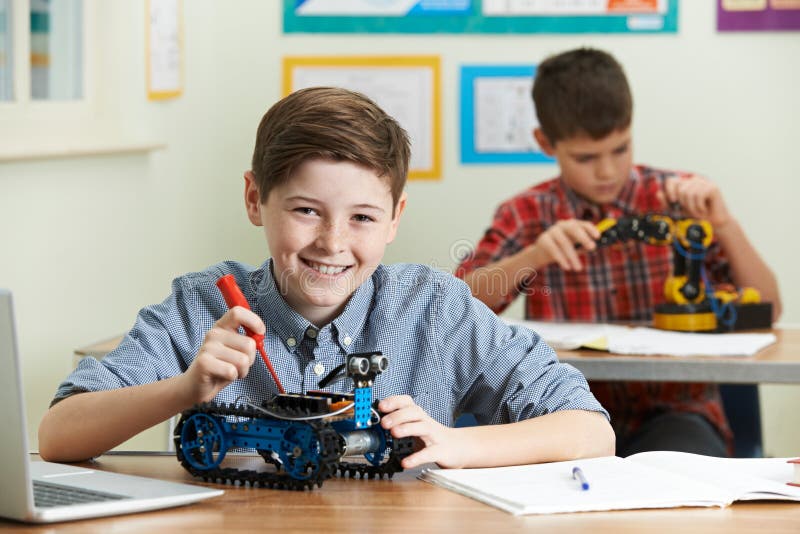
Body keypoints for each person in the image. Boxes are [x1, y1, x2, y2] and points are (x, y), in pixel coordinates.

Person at [39, 87, 613, 467]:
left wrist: (460, 443)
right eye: (306, 211)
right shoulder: (200, 307)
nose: (332, 243)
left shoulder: (438, 309)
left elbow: (592, 432)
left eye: (362, 217)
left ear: (395, 219)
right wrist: (184, 390)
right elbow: (58, 435)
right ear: (254, 198)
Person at [456, 48, 781, 457]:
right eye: (586, 158)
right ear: (545, 143)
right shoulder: (526, 213)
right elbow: (456, 310)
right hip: (563, 413)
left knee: (676, 498)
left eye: (620, 149)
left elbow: (769, 308)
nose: (607, 171)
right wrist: (533, 256)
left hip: (674, 413)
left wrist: (725, 224)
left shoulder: (683, 199)